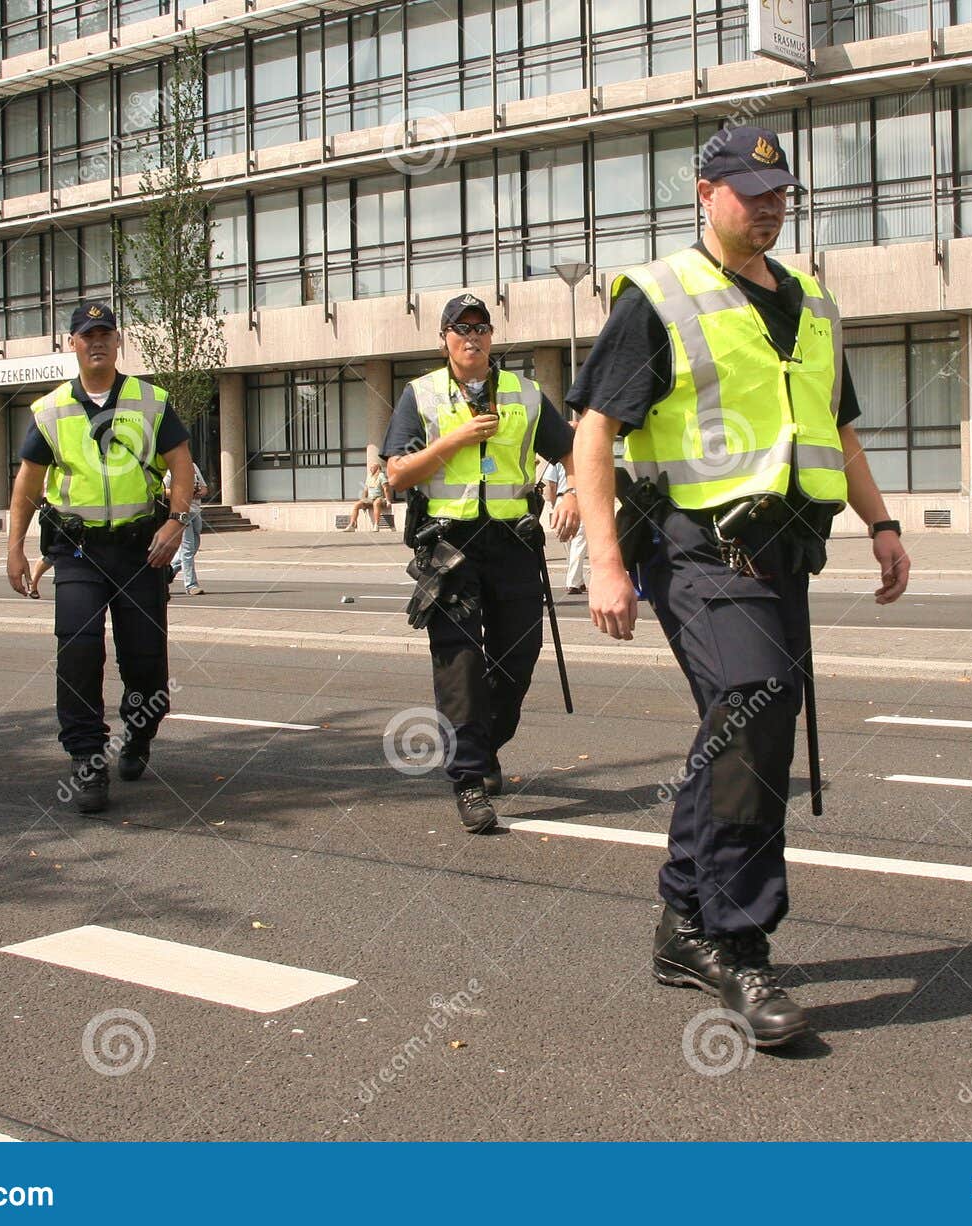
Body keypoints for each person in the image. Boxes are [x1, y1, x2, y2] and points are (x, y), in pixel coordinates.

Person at [571, 126, 909, 1049]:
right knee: (757, 707)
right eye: (749, 188)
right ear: (703, 191)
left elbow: (839, 434)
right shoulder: (660, 296)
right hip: (696, 551)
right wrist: (604, 559)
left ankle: (682, 919)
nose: (767, 204)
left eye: (778, 191)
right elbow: (594, 433)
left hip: (789, 555)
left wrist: (881, 525)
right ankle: (737, 940)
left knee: (744, 722)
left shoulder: (813, 306)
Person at [384, 293, 580, 833]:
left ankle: (484, 743)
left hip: (513, 541)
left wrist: (573, 492)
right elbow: (397, 475)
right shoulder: (420, 395)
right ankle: (469, 778)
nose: (472, 337)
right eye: (460, 328)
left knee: (519, 657)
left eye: (481, 327)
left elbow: (571, 450)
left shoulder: (524, 392)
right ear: (444, 338)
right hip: (450, 547)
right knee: (461, 664)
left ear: (491, 336)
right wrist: (455, 440)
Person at [4, 301, 196, 814]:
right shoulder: (50, 410)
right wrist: (14, 549)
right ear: (72, 343)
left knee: (144, 658)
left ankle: (139, 732)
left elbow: (181, 464)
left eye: (105, 334)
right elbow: (27, 485)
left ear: (118, 342)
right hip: (78, 550)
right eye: (87, 335)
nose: (97, 342)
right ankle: (87, 759)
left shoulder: (150, 399)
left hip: (140, 551)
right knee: (79, 651)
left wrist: (175, 522)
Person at [542, 454, 587, 595]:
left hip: (561, 499)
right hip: (576, 498)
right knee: (579, 541)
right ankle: (573, 582)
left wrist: (555, 504)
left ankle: (578, 581)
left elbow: (551, 484)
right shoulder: (583, 456)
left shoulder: (557, 456)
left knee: (568, 541)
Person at [169, 461, 208, 596]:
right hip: (181, 512)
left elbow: (204, 488)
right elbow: (162, 490)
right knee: (187, 548)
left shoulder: (193, 466)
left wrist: (199, 492)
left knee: (194, 546)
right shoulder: (170, 468)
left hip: (196, 511)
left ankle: (167, 573)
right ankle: (191, 585)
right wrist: (184, 492)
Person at [342, 461, 391, 531]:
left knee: (376, 503)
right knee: (357, 505)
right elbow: (366, 489)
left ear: (377, 468)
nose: (370, 468)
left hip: (379, 498)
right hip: (370, 499)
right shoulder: (369, 476)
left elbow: (386, 489)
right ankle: (352, 525)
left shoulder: (381, 475)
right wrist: (363, 499)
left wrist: (388, 501)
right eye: (370, 467)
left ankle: (376, 525)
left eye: (372, 467)